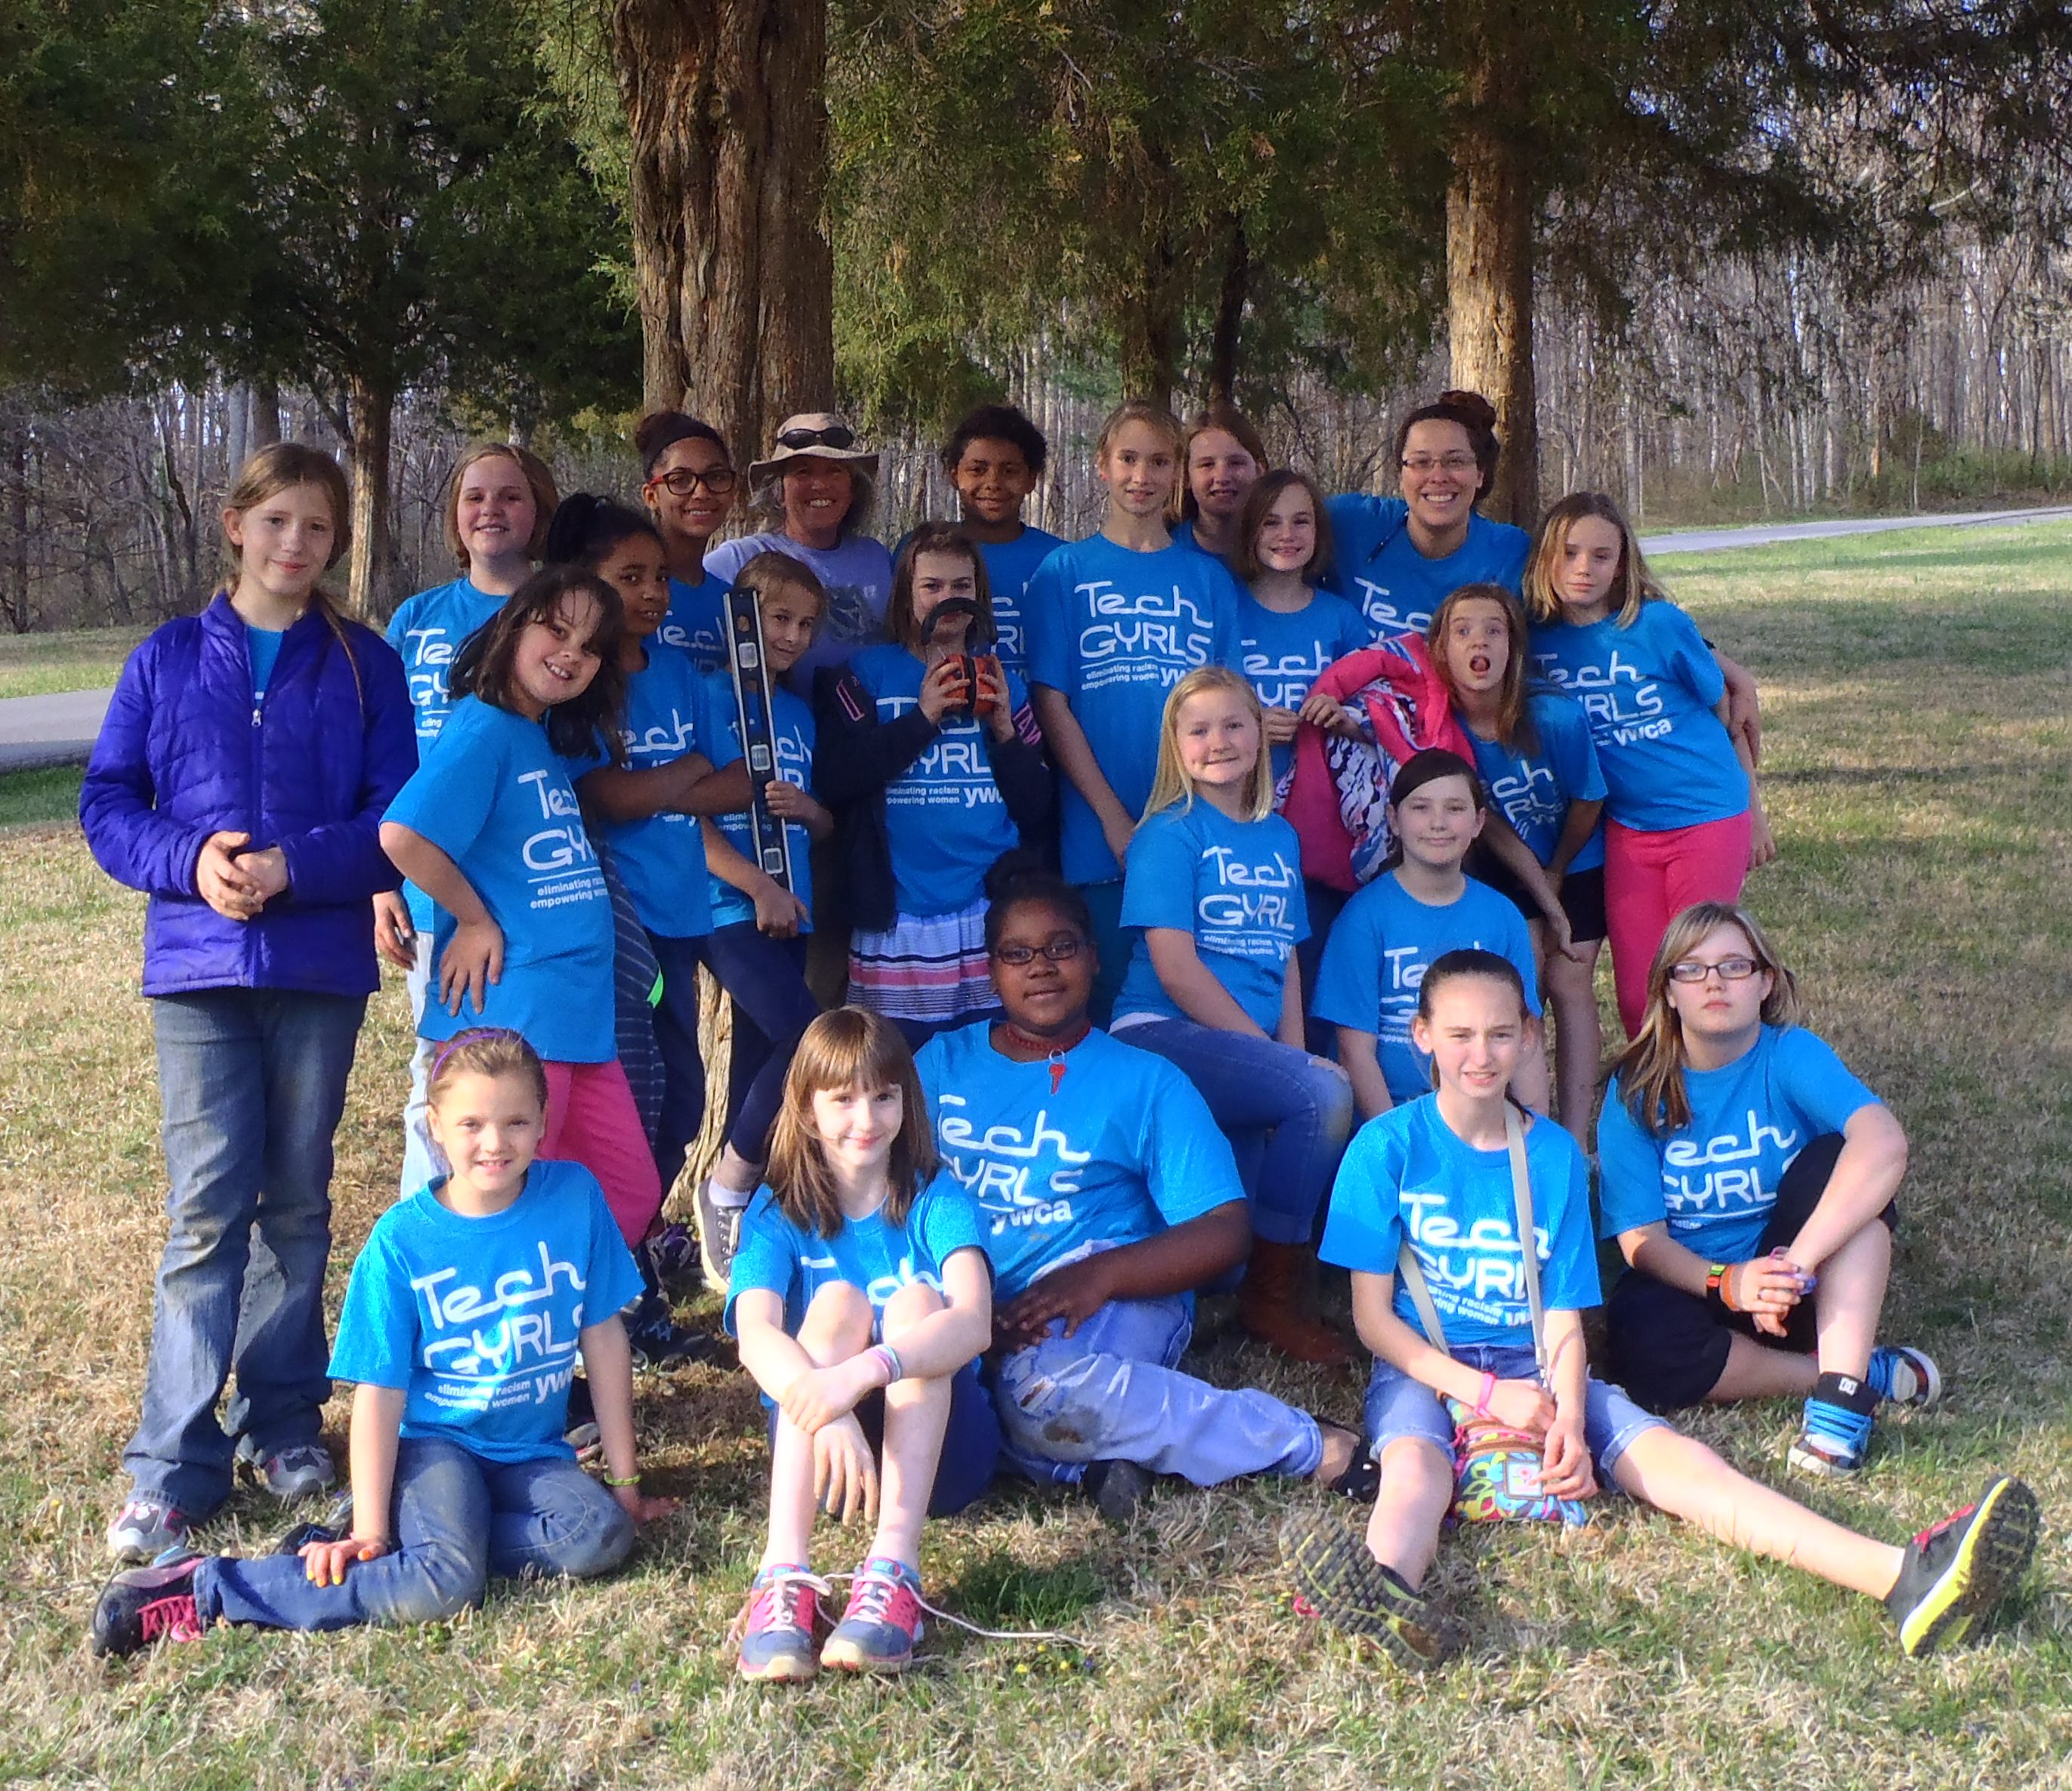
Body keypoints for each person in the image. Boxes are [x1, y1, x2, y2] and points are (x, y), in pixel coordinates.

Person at [1286, 949, 2039, 1669]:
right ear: (1422, 1036)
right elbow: (1374, 1322)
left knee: (1682, 1464)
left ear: (1528, 1036)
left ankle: (1899, 1576)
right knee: (1414, 1469)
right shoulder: (1384, 1148)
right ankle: (1384, 1587)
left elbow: (1562, 1317)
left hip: (1536, 1362)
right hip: (1427, 1365)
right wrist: (1485, 1394)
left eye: (1498, 1033)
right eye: (1458, 1034)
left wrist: (1569, 1420)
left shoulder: (1551, 1155)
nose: (1479, 1054)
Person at [81, 443, 417, 1561]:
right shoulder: (168, 659)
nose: (295, 544)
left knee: (300, 1201)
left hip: (316, 965)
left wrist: (293, 867)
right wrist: (191, 859)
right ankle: (172, 1466)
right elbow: (107, 802)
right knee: (207, 1207)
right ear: (236, 525)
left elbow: (395, 817)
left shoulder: (365, 666)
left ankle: (281, 1424)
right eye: (276, 521)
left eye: (317, 527)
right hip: (199, 971)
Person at [88, 1030, 675, 1658]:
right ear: (435, 1126)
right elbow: (380, 1394)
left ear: (542, 1122)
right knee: (445, 1584)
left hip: (531, 1451)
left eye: (515, 1122)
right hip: (436, 1447)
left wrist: (626, 1483)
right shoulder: (401, 1241)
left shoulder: (574, 1198)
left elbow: (604, 1340)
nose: (494, 1142)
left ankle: (433, 1541)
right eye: (471, 1123)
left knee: (600, 1534)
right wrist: (369, 1530)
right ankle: (208, 1586)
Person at [919, 863, 1371, 1518]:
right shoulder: (940, 1065)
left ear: (1093, 957)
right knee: (969, 1397)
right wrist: (966, 1311)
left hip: (1115, 1290)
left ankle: (1306, 1443)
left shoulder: (1146, 1079)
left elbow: (1223, 1228)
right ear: (991, 971)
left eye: (1061, 946)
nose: (1040, 966)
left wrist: (1097, 1276)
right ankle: (1101, 1460)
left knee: (1040, 1392)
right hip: (976, 1302)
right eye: (1017, 953)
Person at [378, 568, 664, 1258]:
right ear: (513, 627)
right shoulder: (483, 729)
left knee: (627, 1191)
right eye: (556, 630)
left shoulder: (533, 736)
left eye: (590, 647)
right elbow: (404, 836)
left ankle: (562, 1308)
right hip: (517, 1013)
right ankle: (489, 1316)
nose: (571, 653)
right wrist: (475, 921)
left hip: (578, 1019)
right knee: (508, 1193)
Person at [1597, 903, 1942, 1474]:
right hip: (1701, 1283)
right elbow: (1641, 1240)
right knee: (1640, 1341)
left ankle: (1837, 1414)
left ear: (1765, 983)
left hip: (1801, 1282)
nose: (1713, 982)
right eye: (1692, 969)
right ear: (1668, 992)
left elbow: (1884, 1143)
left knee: (1844, 1170)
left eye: (1734, 965)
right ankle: (1855, 1373)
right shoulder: (1637, 1086)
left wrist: (1791, 1270)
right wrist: (1730, 1284)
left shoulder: (1789, 1053)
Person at [726, 1008, 997, 1681]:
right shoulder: (777, 1210)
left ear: (907, 1100)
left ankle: (895, 1570)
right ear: (807, 1108)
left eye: (883, 1095)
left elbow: (974, 1321)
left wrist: (862, 1373)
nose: (866, 1118)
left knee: (916, 1305)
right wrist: (828, 1406)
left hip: (941, 1453)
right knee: (836, 1303)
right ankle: (782, 1573)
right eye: (843, 1099)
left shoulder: (936, 1196)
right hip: (825, 1461)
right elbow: (754, 1333)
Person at [1108, 667, 1355, 1363]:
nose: (1217, 741)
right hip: (1160, 1033)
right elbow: (1175, 968)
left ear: (1259, 734)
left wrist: (1293, 1054)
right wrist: (1285, 1064)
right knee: (1321, 1092)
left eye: (1233, 724)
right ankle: (1274, 1299)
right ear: (1175, 745)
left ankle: (1261, 1281)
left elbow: (1285, 960)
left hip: (1242, 1048)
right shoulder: (1168, 834)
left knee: (1226, 1258)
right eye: (1199, 730)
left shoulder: (1279, 836)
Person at [548, 495, 751, 1202]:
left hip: (682, 915)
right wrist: (685, 771)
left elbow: (740, 782)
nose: (652, 592)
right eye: (629, 577)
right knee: (633, 1091)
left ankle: (637, 1228)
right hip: (616, 922)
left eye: (660, 576)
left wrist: (654, 787)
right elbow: (600, 795)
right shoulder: (580, 680)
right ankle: (616, 1239)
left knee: (682, 1098)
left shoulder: (680, 674)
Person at [377, 441, 560, 1196]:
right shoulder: (416, 618)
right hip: (432, 888)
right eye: (475, 496)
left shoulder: (559, 611)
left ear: (537, 511)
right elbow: (380, 758)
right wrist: (379, 883)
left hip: (533, 883)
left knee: (535, 1070)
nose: (492, 510)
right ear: (454, 514)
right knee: (445, 1069)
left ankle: (524, 1224)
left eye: (511, 495)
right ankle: (434, 1228)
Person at [1522, 491, 1774, 1036]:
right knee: (1637, 993)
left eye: (1601, 556)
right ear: (1545, 558)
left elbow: (1725, 715)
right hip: (1628, 828)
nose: (1583, 568)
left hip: (1705, 817)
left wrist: (1753, 812)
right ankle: (1655, 1085)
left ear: (1621, 566)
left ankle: (1710, 1079)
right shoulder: (1536, 643)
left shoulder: (1658, 624)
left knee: (1695, 972)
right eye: (1569, 553)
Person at [1026, 399, 1244, 1017]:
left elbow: (1229, 707)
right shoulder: (1064, 572)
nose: (1141, 476)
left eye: (1158, 461)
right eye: (1127, 459)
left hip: (1193, 830)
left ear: (1177, 472)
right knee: (1112, 1014)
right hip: (1101, 837)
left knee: (1194, 1014)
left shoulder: (1208, 580)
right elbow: (1051, 701)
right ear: (1102, 464)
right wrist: (1112, 818)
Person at [817, 524, 1052, 1039]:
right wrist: (922, 718)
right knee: (896, 1062)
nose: (948, 598)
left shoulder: (1003, 680)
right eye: (932, 586)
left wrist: (1005, 731)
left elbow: (1037, 806)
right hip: (898, 916)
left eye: (961, 586)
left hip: (989, 908)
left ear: (979, 594)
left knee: (991, 1054)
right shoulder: (865, 675)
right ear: (907, 594)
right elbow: (836, 777)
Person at [693, 552, 833, 1286]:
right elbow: (686, 817)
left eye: (806, 625)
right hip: (727, 907)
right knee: (807, 1036)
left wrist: (809, 810)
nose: (792, 636)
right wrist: (756, 886)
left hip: (793, 910)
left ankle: (742, 1219)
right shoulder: (706, 697)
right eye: (779, 618)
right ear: (742, 618)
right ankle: (724, 1187)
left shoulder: (801, 714)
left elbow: (824, 821)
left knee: (762, 1068)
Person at [1427, 584, 1607, 1139]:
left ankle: (1573, 1141)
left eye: (1494, 630)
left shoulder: (1554, 716)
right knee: (1521, 979)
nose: (1478, 642)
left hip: (1575, 853)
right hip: (1502, 861)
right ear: (1441, 650)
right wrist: (1539, 890)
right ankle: (1520, 1127)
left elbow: (1588, 800)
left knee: (1570, 980)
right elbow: (1489, 821)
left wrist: (1558, 871)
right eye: (1462, 631)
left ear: (1514, 647)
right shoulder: (1443, 724)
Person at [1312, 749, 1546, 1122]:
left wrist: (1533, 1129)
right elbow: (1354, 1051)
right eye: (1421, 808)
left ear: (1478, 822)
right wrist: (1393, 1140)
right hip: (1390, 1118)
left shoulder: (1502, 917)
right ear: (1394, 819)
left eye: (1455, 808)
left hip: (1478, 1119)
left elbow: (1525, 1042)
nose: (1438, 823)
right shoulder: (1363, 917)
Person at [703, 411, 894, 685]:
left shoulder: (878, 558)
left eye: (835, 471)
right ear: (779, 490)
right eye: (803, 472)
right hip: (774, 711)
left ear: (854, 488)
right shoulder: (738, 560)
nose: (820, 485)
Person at [1321, 391, 1530, 640]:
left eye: (1455, 461)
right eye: (1421, 462)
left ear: (1480, 474)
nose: (1438, 476)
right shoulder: (1350, 523)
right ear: (1401, 475)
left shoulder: (1511, 554)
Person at [937, 403, 1062, 679]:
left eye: (1009, 471)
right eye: (977, 470)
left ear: (1031, 479)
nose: (993, 483)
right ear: (954, 474)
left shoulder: (1060, 561)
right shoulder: (926, 553)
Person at [635, 409, 740, 672]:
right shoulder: (630, 590)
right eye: (680, 480)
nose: (701, 492)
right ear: (651, 496)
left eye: (716, 477)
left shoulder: (733, 602)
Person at [1176, 403, 1268, 563]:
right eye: (1207, 465)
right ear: (1186, 477)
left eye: (1236, 463)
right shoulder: (1166, 551)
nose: (1222, 477)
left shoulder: (1285, 551)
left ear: (1259, 471)